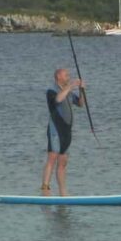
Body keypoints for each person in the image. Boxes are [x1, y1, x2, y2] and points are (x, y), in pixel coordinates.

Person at [41, 68, 85, 196]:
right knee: (52, 157)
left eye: (68, 75)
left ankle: (63, 192)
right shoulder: (52, 91)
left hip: (67, 131)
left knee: (63, 161)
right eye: (66, 75)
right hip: (55, 128)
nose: (68, 77)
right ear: (58, 76)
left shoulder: (69, 93)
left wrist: (81, 90)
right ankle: (45, 188)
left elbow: (81, 103)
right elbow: (58, 99)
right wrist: (71, 86)